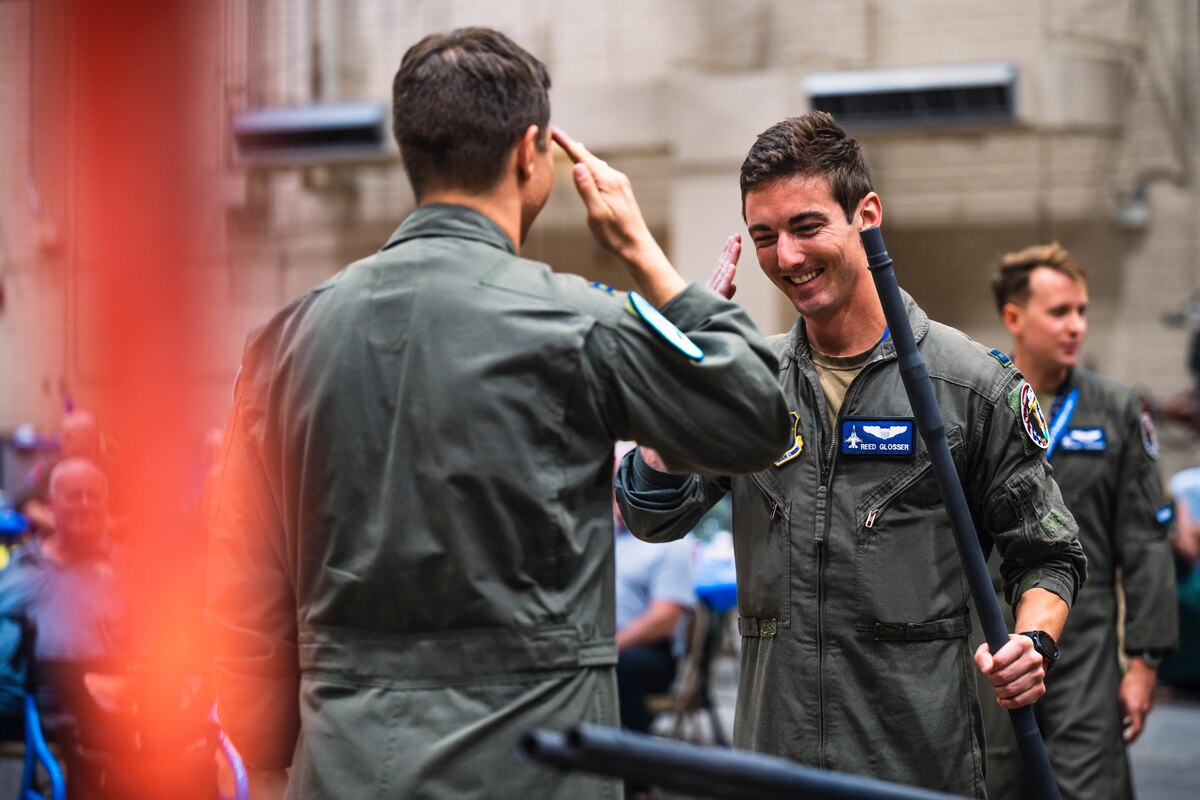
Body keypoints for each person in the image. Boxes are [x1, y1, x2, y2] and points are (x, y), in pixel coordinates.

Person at [206, 27, 791, 800]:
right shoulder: (583, 323)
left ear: (411, 153)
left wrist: (267, 760)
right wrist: (644, 252)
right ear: (530, 154)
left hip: (348, 765)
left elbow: (244, 583)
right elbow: (757, 415)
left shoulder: (282, 344)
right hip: (538, 767)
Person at [614, 111, 1087, 798]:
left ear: (867, 214)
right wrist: (679, 385)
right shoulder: (750, 384)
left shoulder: (970, 386)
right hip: (774, 760)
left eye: (807, 227)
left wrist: (1033, 642)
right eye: (765, 237)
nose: (788, 257)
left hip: (917, 763)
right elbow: (652, 513)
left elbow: (1049, 554)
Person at [974, 243, 1178, 798]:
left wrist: (1143, 663)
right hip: (991, 649)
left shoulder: (1114, 410)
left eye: (1082, 311)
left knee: (1090, 787)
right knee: (993, 784)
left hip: (1084, 656)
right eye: (1060, 311)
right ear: (1014, 317)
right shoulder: (977, 403)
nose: (1076, 326)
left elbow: (1144, 542)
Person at [612, 443, 694, 800]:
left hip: (652, 655)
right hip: (608, 646)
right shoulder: (604, 537)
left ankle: (637, 787)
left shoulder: (668, 540)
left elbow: (664, 619)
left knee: (619, 668)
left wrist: (611, 645)